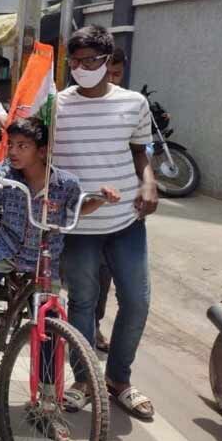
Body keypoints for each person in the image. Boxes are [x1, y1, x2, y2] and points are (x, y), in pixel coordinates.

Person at [0, 118, 119, 441]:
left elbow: (80, 208)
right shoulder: (7, 178)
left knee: (51, 329)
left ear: (42, 151)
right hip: (7, 250)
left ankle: (47, 403)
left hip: (44, 262)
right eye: (11, 145)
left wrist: (102, 199)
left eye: (22, 146)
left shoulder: (65, 184)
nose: (13, 152)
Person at [56, 25, 157, 421]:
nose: (81, 68)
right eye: (75, 62)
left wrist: (149, 183)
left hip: (126, 223)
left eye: (90, 61)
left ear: (107, 60)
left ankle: (118, 378)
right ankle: (84, 381)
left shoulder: (133, 104)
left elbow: (140, 154)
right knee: (82, 303)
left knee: (136, 301)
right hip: (79, 226)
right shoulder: (56, 105)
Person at [93, 47, 129, 352]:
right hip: (79, 207)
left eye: (118, 74)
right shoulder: (71, 104)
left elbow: (142, 154)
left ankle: (93, 326)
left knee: (106, 278)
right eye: (109, 72)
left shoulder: (129, 106)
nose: (112, 79)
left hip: (116, 212)